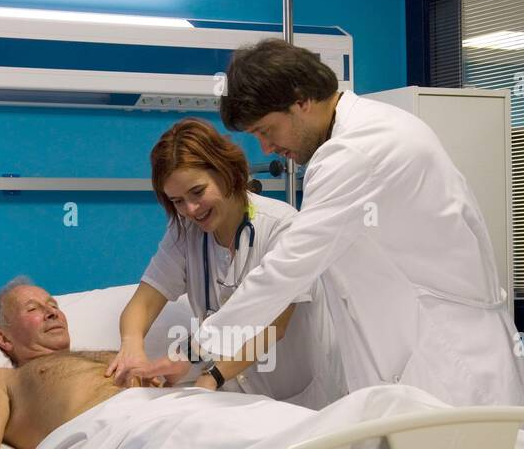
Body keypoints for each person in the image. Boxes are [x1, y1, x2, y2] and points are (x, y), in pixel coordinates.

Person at [127, 38, 524, 411]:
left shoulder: (356, 151)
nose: (267, 147)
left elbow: (286, 271)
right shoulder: (368, 131)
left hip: (449, 366)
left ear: (301, 100)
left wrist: (199, 350)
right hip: (418, 361)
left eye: (267, 130)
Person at [104, 116, 346, 408]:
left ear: (225, 170)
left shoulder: (282, 226)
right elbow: (142, 303)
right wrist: (132, 346)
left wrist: (210, 377)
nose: (191, 210)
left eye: (197, 192)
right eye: (178, 201)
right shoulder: (185, 234)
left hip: (298, 399)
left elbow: (274, 327)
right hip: (233, 401)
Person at [0, 278, 161, 449]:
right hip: (110, 443)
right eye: (32, 309)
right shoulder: (0, 379)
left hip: (167, 416)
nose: (52, 312)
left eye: (53, 305)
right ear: (5, 339)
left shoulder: (117, 354)